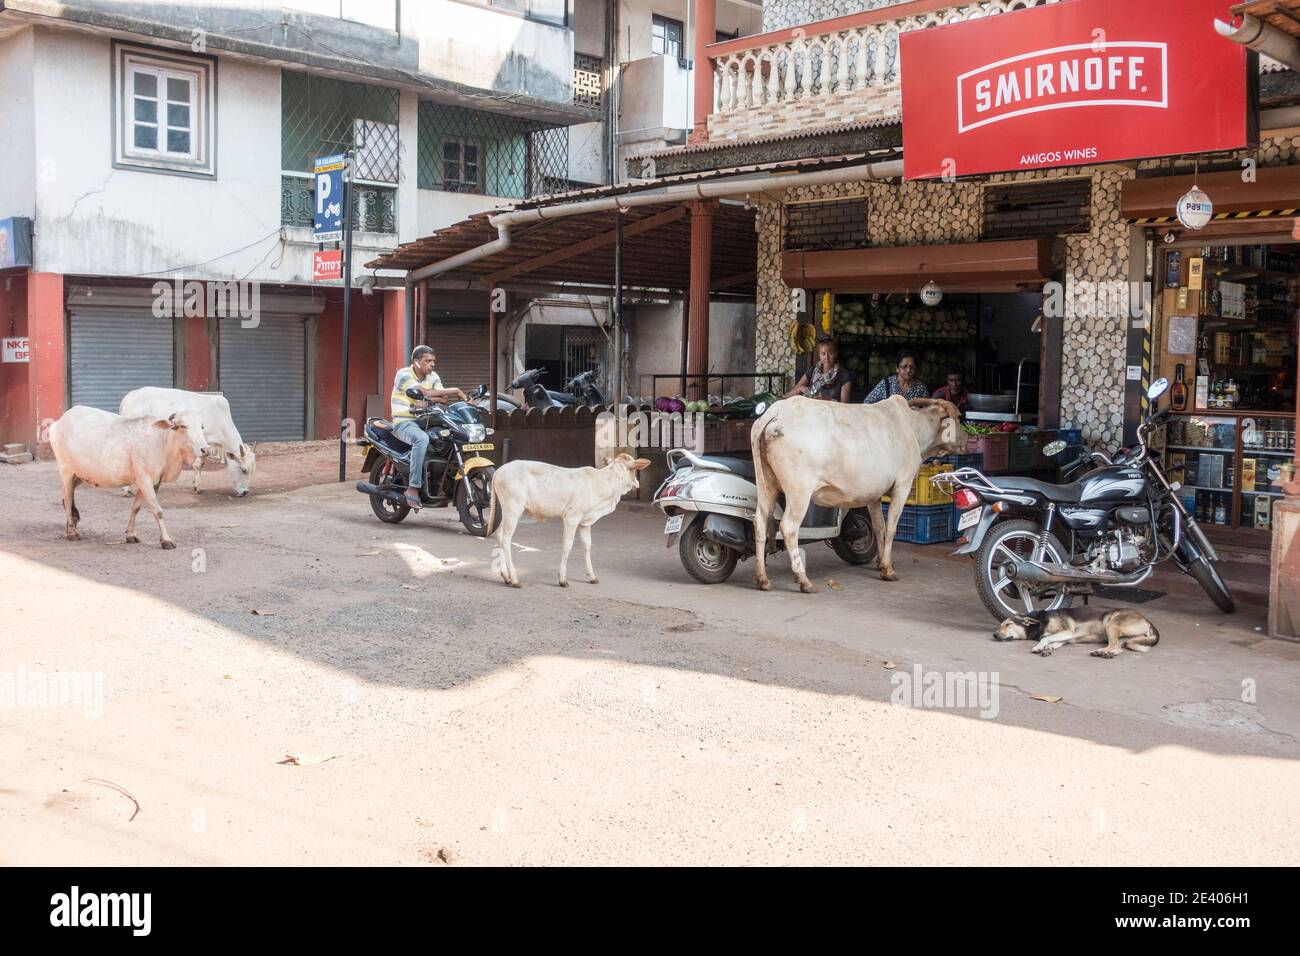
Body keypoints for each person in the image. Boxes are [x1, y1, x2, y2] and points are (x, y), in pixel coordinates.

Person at [391, 345, 467, 509]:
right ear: (416, 362)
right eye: (428, 361)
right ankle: (413, 487)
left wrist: (431, 396)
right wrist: (456, 391)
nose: (432, 364)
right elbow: (427, 393)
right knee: (421, 439)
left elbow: (443, 398)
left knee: (449, 437)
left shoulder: (433, 376)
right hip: (404, 421)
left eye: (433, 361)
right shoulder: (403, 374)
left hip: (427, 420)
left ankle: (441, 480)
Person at [787, 336, 852, 403]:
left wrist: (828, 399)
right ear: (819, 355)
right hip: (813, 409)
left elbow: (844, 405)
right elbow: (794, 392)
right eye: (823, 354)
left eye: (830, 353)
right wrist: (795, 392)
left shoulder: (844, 375)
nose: (826, 357)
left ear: (836, 354)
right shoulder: (813, 371)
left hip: (833, 412)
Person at [863, 351, 929, 404]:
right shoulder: (886, 384)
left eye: (912, 367)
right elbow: (867, 402)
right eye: (904, 366)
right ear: (897, 368)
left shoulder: (921, 388)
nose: (908, 370)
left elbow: (926, 410)